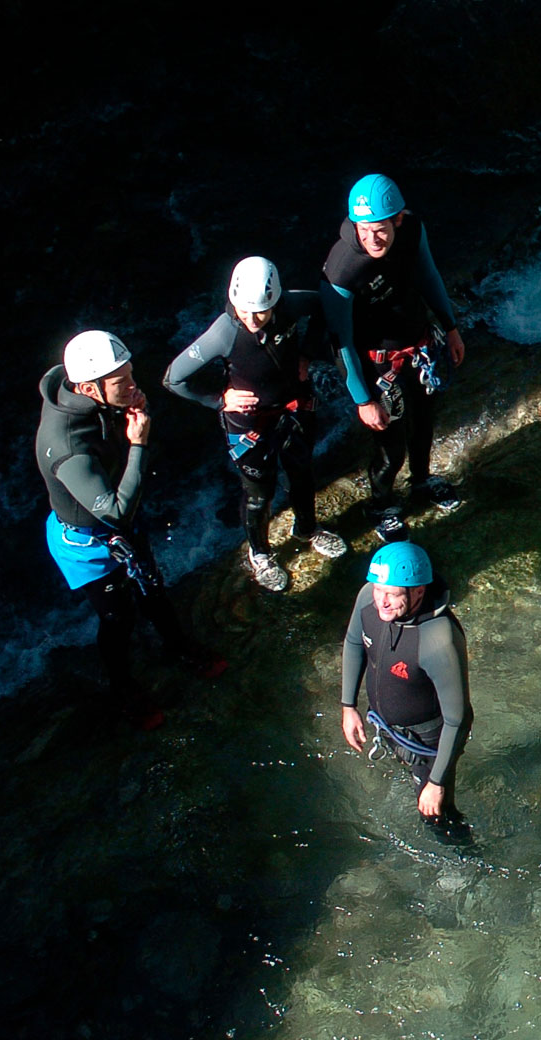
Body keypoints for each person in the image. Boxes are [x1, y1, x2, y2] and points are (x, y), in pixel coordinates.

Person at [37, 330, 225, 730]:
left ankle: (178, 647)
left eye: (131, 375)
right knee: (117, 617)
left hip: (111, 518)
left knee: (152, 587)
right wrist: (137, 444)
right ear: (89, 388)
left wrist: (128, 407)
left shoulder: (84, 391)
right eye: (123, 383)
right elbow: (116, 514)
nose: (134, 386)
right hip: (87, 541)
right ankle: (122, 689)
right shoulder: (67, 445)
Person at [165, 257, 349, 592]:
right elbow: (174, 378)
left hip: (294, 407)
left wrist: (307, 354)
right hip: (248, 423)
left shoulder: (290, 304)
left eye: (260, 312)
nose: (251, 319)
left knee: (302, 473)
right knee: (258, 494)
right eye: (245, 310)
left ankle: (307, 529)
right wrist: (220, 399)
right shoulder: (225, 331)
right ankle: (260, 553)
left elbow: (327, 303)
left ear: (275, 301)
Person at [322, 173, 468, 542]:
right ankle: (381, 505)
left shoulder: (412, 228)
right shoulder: (342, 268)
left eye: (381, 229)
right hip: (378, 362)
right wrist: (363, 400)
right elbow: (341, 342)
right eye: (364, 229)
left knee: (424, 424)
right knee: (391, 444)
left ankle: (422, 481)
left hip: (418, 345)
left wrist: (450, 327)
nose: (372, 239)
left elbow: (428, 275)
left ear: (398, 219)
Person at [339, 542, 473, 835]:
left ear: (419, 591)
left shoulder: (438, 640)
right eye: (378, 590)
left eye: (392, 594)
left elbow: (458, 719)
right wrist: (348, 706)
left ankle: (464, 861)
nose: (382, 602)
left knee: (436, 816)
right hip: (387, 723)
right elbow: (353, 643)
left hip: (425, 742)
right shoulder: (368, 598)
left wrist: (436, 783)